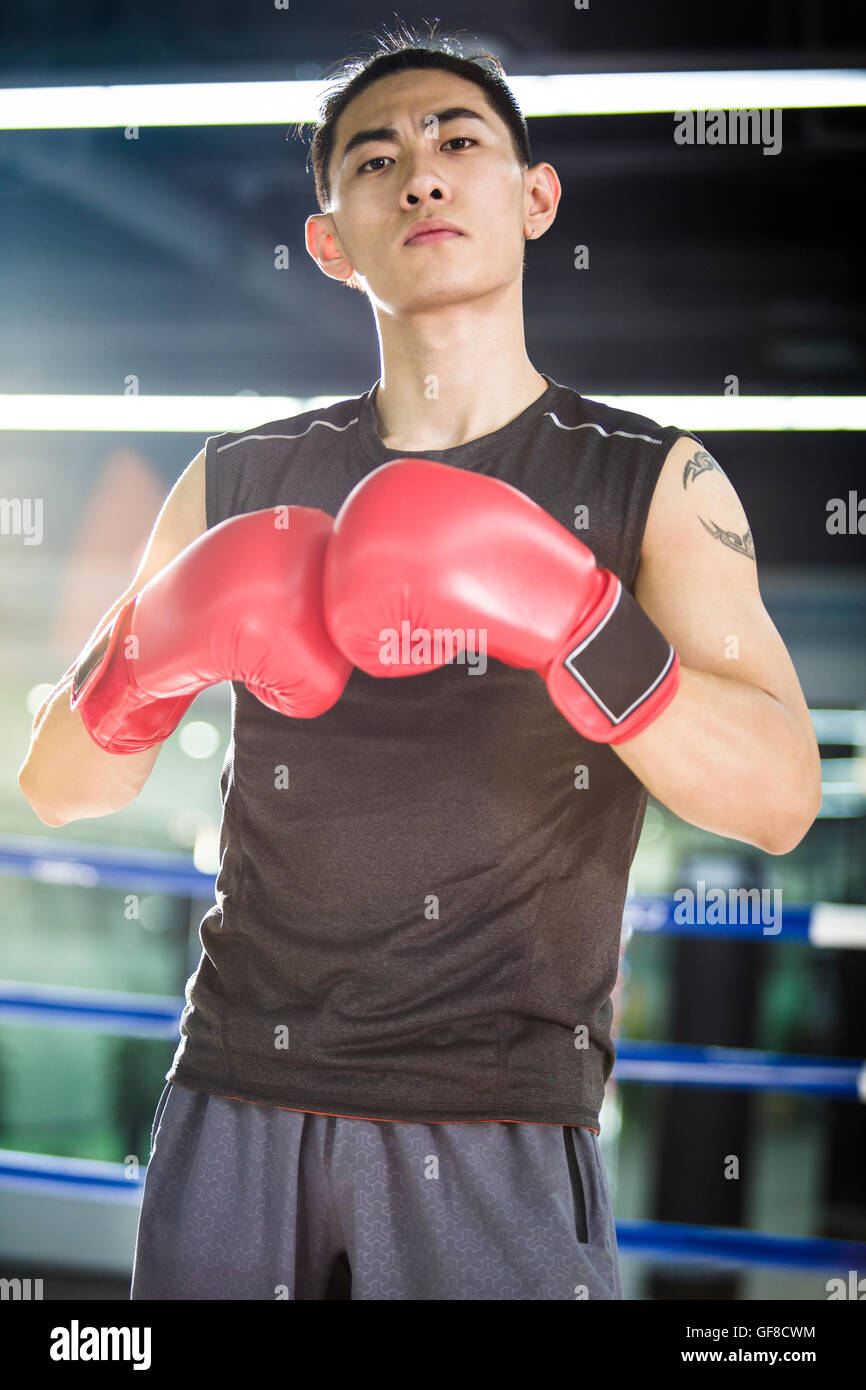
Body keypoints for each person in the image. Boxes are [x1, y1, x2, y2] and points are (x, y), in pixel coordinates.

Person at [18, 30, 822, 1301]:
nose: (422, 176)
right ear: (330, 237)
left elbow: (780, 797)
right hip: (233, 1093)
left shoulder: (648, 478)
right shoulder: (237, 481)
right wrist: (155, 650)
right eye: (375, 159)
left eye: (460, 143)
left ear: (534, 196)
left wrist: (577, 613)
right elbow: (58, 786)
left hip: (495, 1117)